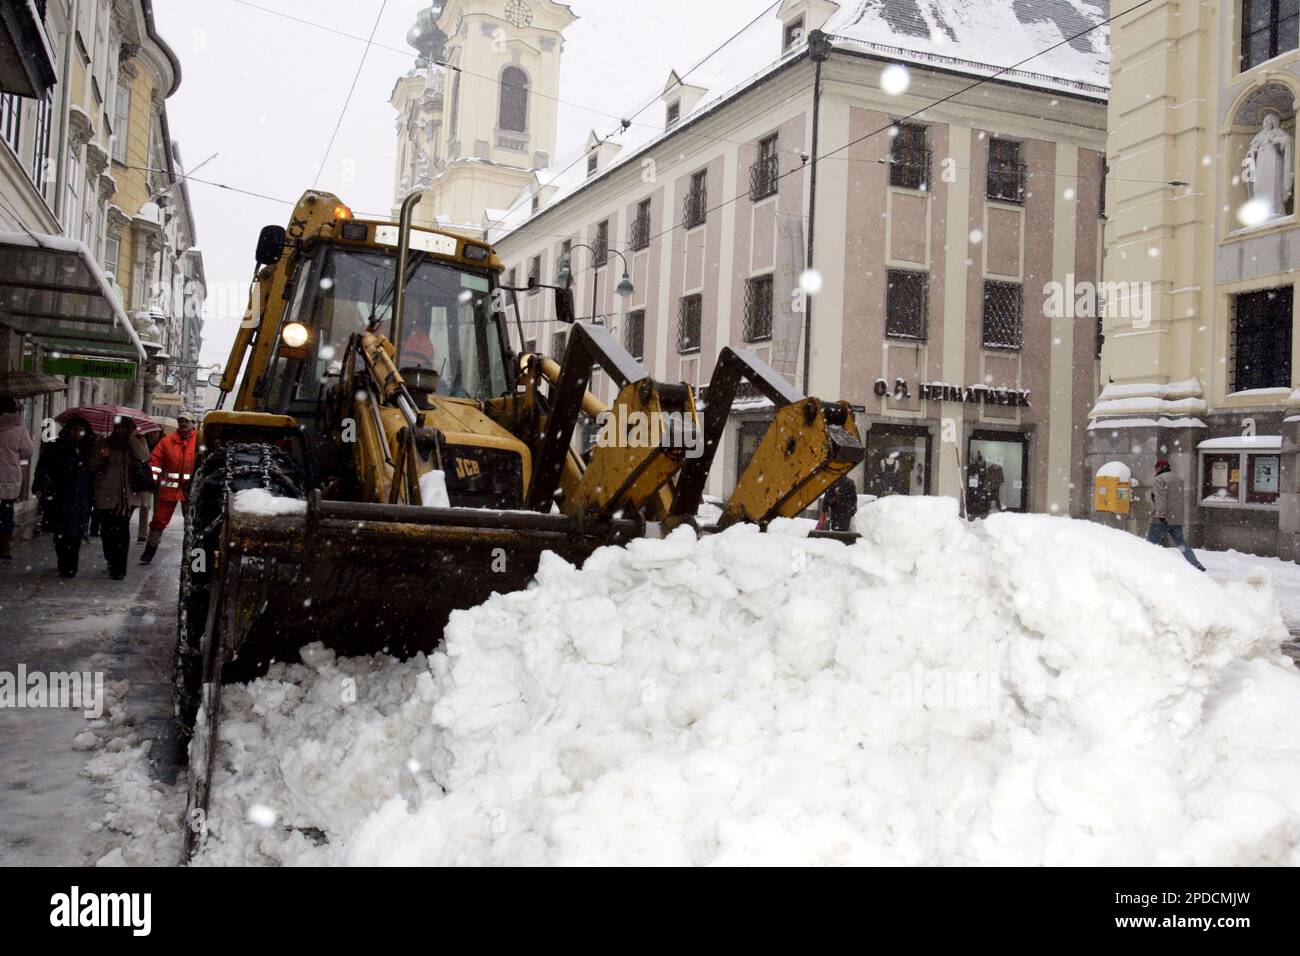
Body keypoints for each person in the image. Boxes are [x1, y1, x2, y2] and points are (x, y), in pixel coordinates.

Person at [32, 416, 96, 577]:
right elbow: (43, 467)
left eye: (80, 431)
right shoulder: (56, 447)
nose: (77, 434)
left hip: (81, 496)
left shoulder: (89, 449)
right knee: (61, 532)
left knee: (76, 533)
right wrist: (39, 485)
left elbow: (95, 471)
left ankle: (71, 565)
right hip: (59, 495)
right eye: (74, 430)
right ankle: (63, 561)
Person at [92, 416, 149, 580]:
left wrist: (131, 439)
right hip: (104, 495)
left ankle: (119, 568)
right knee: (107, 531)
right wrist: (102, 456)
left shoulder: (136, 442)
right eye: (117, 428)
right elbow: (92, 466)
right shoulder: (105, 443)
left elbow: (144, 457)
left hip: (125, 497)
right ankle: (110, 558)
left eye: (124, 428)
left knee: (121, 532)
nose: (119, 431)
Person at [140, 414, 197, 564]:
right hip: (168, 491)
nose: (183, 424)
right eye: (181, 421)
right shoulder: (167, 441)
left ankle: (193, 557)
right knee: (158, 521)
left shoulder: (199, 441)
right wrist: (155, 479)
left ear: (193, 423)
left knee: (194, 525)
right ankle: (149, 552)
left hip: (190, 491)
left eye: (186, 421)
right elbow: (155, 461)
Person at [1147, 459, 1206, 571]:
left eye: (1156, 468)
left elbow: (1161, 499)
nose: (1155, 470)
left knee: (1150, 544)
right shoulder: (1178, 479)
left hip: (1161, 519)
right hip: (1176, 518)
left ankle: (1148, 565)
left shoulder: (1159, 479)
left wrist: (1160, 514)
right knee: (1182, 544)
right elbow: (1177, 500)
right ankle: (1195, 564)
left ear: (1160, 468)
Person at [0, 396, 35, 560]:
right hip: (10, 476)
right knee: (7, 511)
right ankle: (5, 546)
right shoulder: (18, 427)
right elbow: (28, 450)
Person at [134, 429, 163, 542]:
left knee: (159, 510)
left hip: (160, 479)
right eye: (151, 432)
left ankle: (156, 534)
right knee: (145, 506)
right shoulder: (143, 441)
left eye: (155, 432)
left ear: (160, 433)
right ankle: (143, 534)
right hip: (146, 478)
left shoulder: (164, 443)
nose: (152, 434)